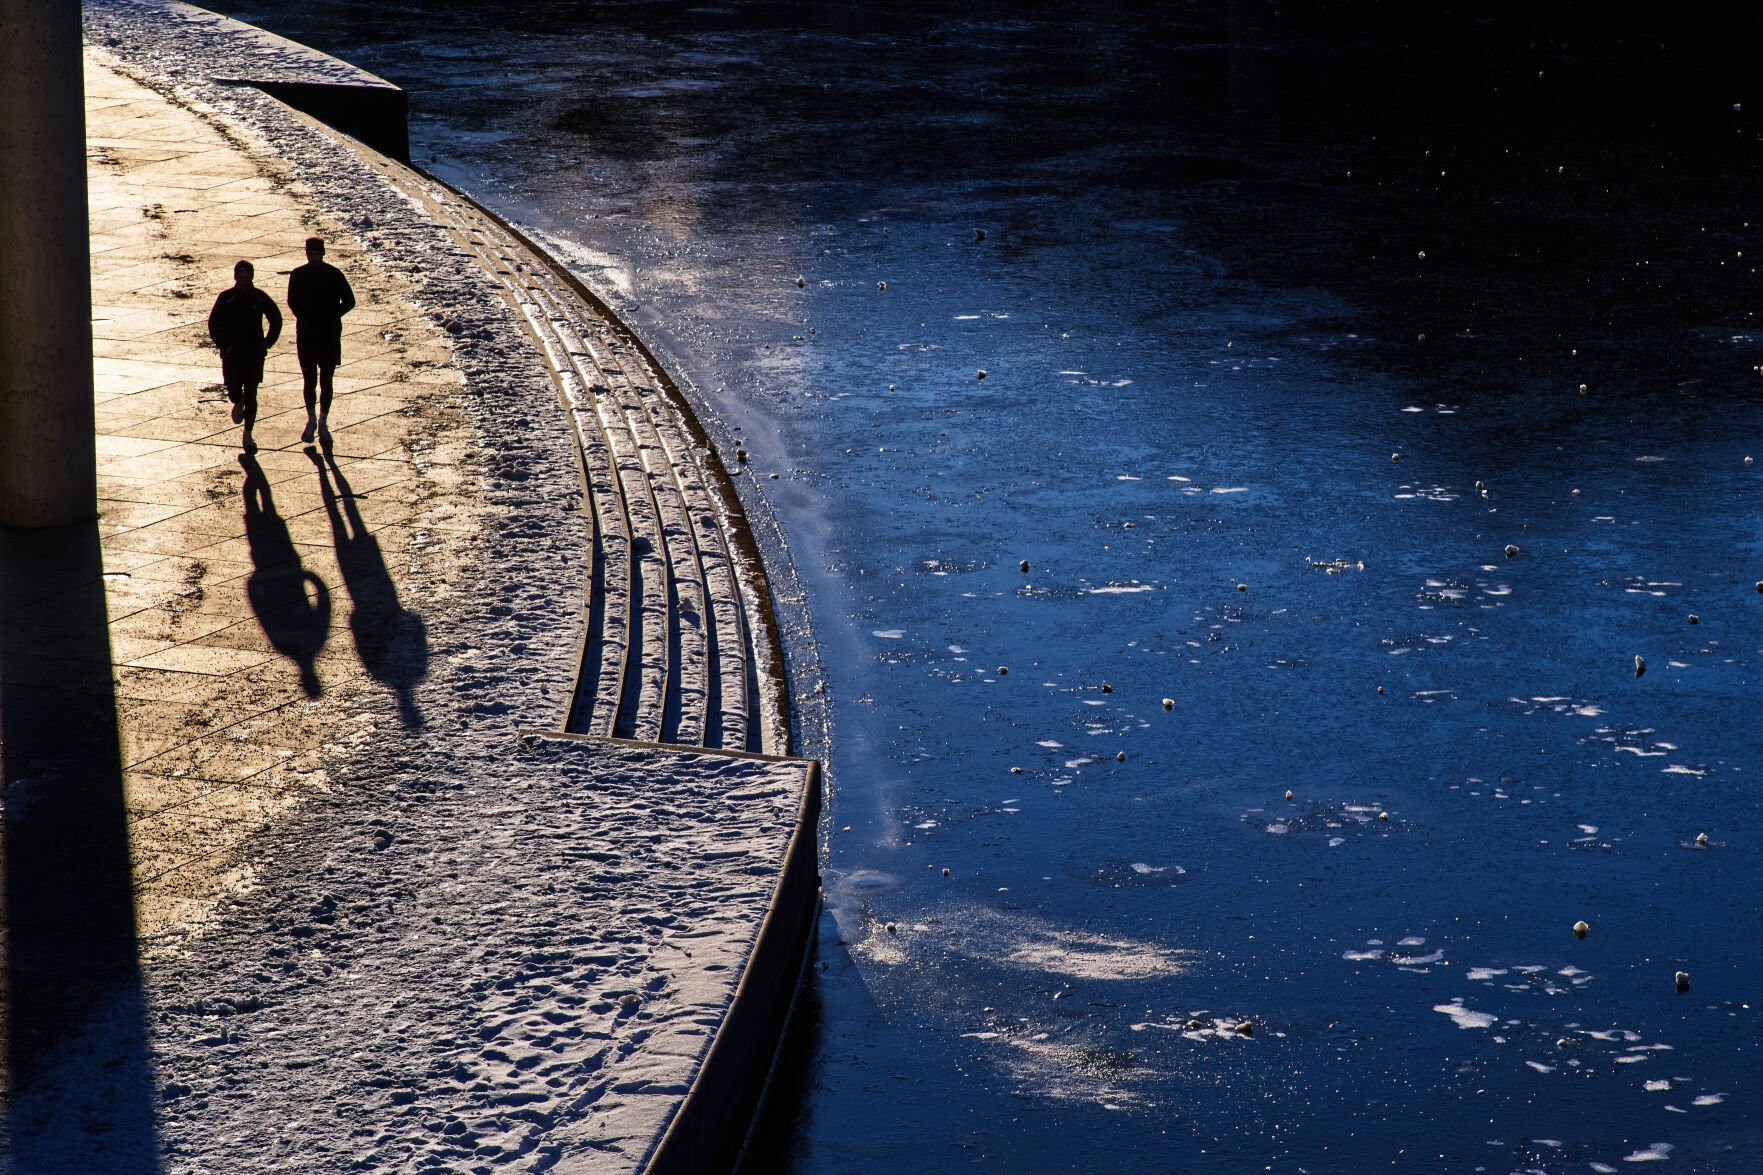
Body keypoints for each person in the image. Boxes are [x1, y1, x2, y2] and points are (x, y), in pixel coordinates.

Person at [207, 259, 282, 452]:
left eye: (247, 278)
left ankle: (248, 433)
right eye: (241, 278)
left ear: (252, 278)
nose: (244, 282)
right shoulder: (226, 297)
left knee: (252, 393)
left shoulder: (259, 297)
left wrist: (267, 342)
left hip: (254, 353)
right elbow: (213, 324)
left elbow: (276, 318)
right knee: (233, 389)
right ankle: (237, 401)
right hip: (232, 354)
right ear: (235, 278)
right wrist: (224, 345)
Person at [286, 236, 355, 443]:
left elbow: (350, 301)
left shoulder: (334, 274)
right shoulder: (298, 274)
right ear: (306, 253)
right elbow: (292, 301)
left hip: (328, 334)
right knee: (309, 380)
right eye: (311, 253)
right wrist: (306, 316)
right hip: (308, 333)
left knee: (326, 380)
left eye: (317, 253)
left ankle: (323, 421)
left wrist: (331, 316)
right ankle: (311, 419)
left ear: (323, 253)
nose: (314, 257)